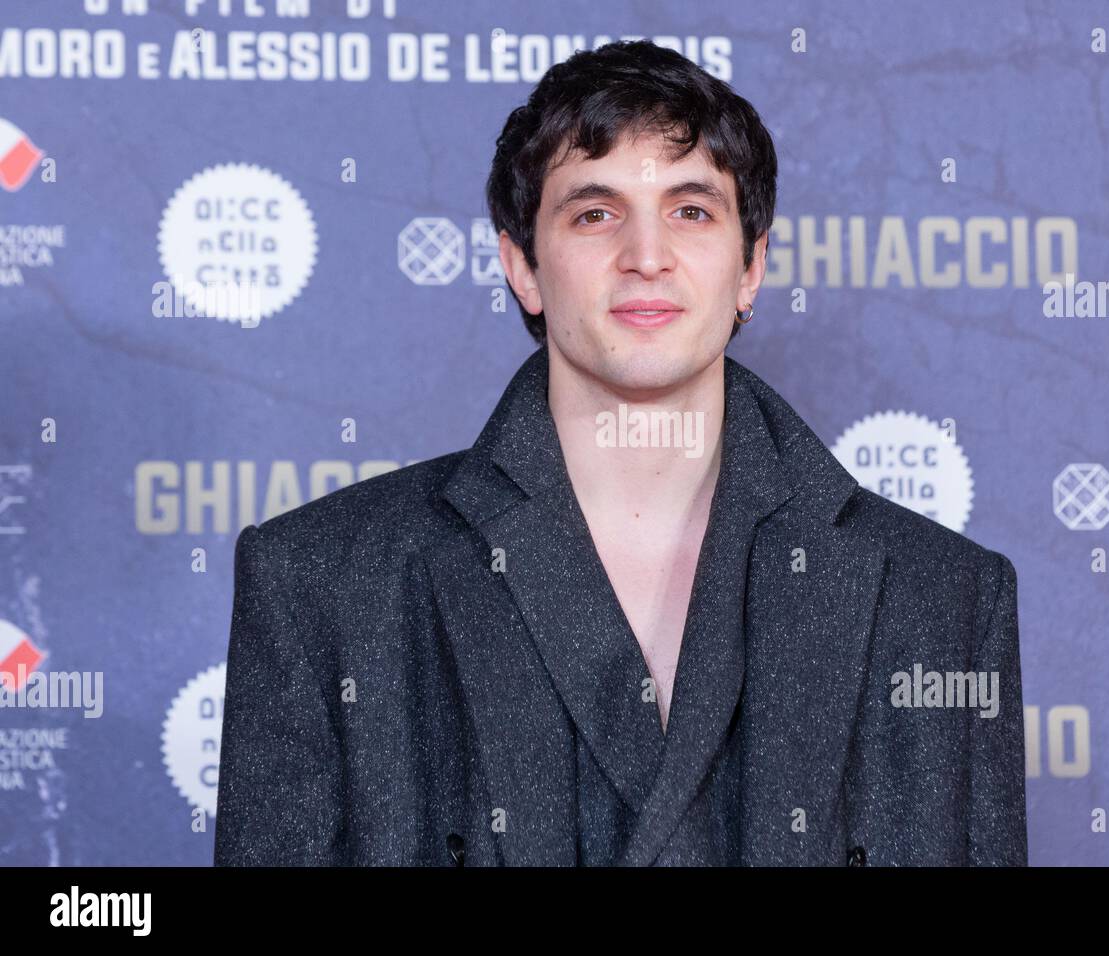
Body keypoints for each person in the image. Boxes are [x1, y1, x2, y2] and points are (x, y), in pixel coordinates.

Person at [214, 39, 1027, 867]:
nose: (646, 257)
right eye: (595, 213)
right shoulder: (319, 582)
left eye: (692, 210)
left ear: (752, 267)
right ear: (523, 266)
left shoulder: (947, 599)